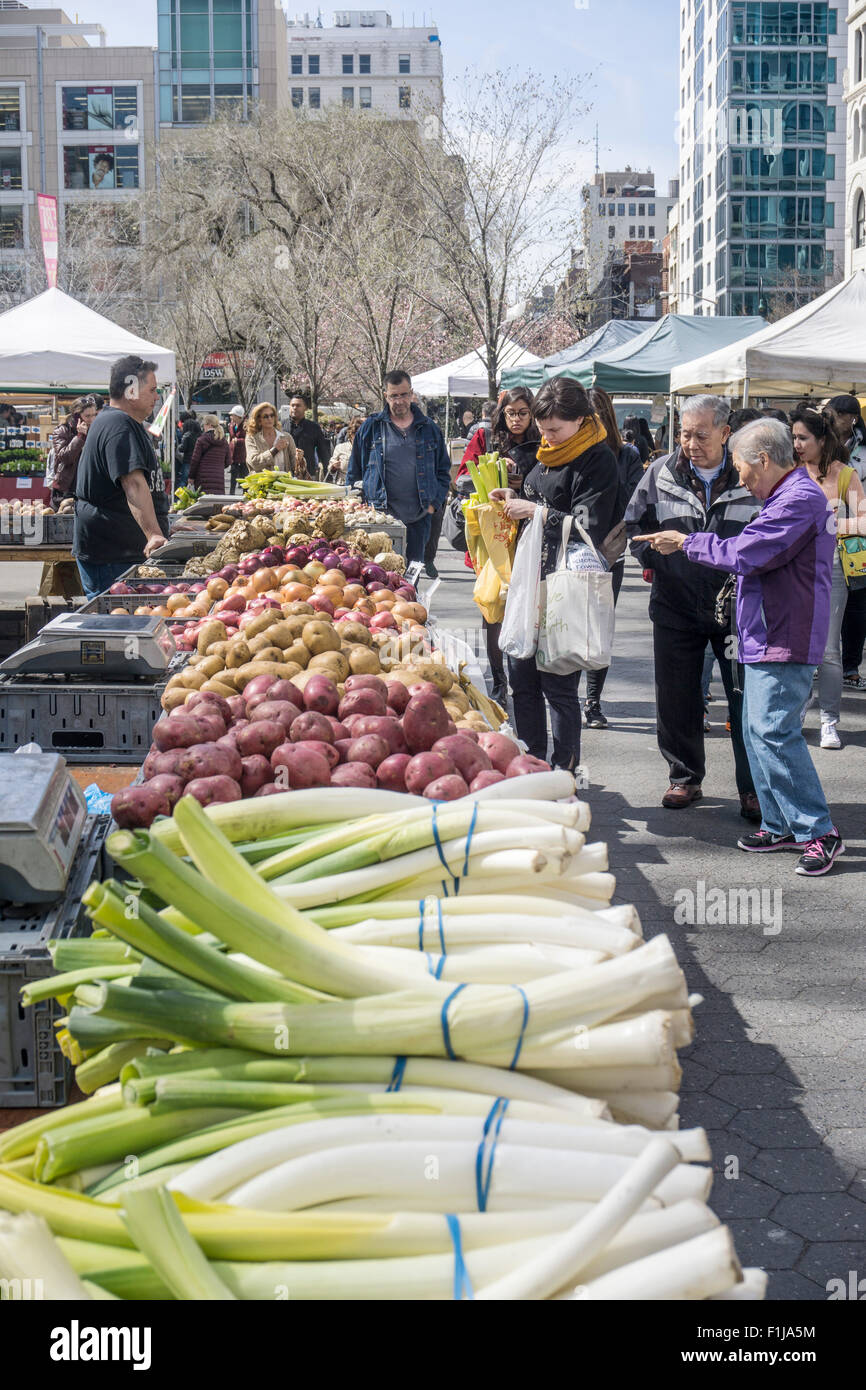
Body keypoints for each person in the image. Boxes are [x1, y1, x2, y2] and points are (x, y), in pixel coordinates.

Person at [635, 418, 844, 876]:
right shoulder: (790, 495)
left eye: (741, 466)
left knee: (773, 732)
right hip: (767, 631)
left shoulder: (798, 499)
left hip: (783, 634)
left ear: (763, 460)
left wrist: (686, 541)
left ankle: (818, 831)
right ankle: (779, 822)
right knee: (756, 732)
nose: (741, 477)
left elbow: (747, 552)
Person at [626, 394, 761, 818]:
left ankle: (753, 788)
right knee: (676, 697)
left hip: (737, 606)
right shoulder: (660, 472)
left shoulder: (749, 475)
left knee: (745, 699)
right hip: (675, 603)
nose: (691, 444)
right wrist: (660, 562)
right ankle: (684, 777)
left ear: (725, 432)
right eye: (685, 434)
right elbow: (635, 525)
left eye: (701, 435)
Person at [490, 377, 620, 772]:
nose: (546, 437)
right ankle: (532, 764)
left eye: (554, 430)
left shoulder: (597, 459)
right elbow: (538, 497)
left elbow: (589, 525)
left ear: (580, 420)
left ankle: (565, 770)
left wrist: (535, 512)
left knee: (559, 684)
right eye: (543, 429)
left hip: (567, 586)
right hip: (531, 580)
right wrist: (515, 499)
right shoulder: (547, 453)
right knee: (522, 678)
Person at [458, 387, 542, 704]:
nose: (516, 419)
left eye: (523, 413)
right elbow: (462, 477)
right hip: (491, 537)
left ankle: (524, 678)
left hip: (528, 535)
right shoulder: (487, 438)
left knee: (525, 608)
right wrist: (494, 473)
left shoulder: (543, 441)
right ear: (501, 414)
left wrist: (524, 482)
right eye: (510, 413)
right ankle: (498, 679)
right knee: (491, 606)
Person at [790, 404, 866, 749]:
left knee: (829, 650)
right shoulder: (790, 472)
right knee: (796, 647)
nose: (797, 444)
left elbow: (863, 521)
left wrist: (827, 523)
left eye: (803, 438)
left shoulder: (845, 474)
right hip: (792, 567)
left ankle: (828, 721)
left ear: (822, 440)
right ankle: (795, 714)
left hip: (833, 566)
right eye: (794, 438)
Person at [72, 355, 169, 599]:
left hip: (119, 554)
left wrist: (164, 525)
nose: (157, 397)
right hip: (112, 558)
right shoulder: (118, 425)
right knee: (116, 618)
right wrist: (154, 534)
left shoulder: (122, 423)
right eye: (152, 390)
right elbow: (133, 484)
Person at [583, 387, 644, 727]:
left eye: (594, 419)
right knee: (565, 624)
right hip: (570, 552)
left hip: (608, 554)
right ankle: (565, 695)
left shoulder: (626, 455)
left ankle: (592, 700)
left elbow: (634, 501)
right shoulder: (567, 453)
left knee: (600, 627)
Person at [347, 369, 451, 564]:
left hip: (419, 518)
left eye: (404, 394)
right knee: (380, 575)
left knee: (412, 575)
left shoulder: (429, 429)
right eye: (394, 396)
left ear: (411, 393)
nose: (399, 401)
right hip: (380, 517)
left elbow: (443, 472)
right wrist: (358, 508)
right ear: (385, 396)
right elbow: (354, 473)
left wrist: (433, 505)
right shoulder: (371, 427)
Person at [49, 395, 97, 510]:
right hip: (67, 489)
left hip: (90, 487)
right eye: (87, 416)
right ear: (76, 417)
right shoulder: (62, 430)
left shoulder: (95, 430)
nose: (92, 419)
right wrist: (80, 437)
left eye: (94, 415)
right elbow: (65, 457)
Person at [245, 402, 298, 475]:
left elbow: (294, 464)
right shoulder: (252, 438)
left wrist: (299, 459)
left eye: (272, 415)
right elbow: (254, 463)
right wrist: (275, 449)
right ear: (259, 420)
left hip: (284, 481)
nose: (269, 418)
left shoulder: (286, 437)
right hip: (261, 481)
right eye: (265, 416)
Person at [287, 395, 331, 479]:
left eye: (298, 405)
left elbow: (323, 452)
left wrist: (328, 476)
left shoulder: (314, 427)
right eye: (292, 405)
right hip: (286, 473)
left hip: (308, 474)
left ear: (305, 408)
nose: (295, 408)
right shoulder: (281, 426)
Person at [188, 414, 231, 495]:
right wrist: (218, 466)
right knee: (217, 501)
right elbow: (228, 461)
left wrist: (191, 477)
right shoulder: (224, 441)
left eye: (204, 424)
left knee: (203, 501)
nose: (203, 427)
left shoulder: (201, 440)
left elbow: (195, 461)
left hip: (202, 478)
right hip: (218, 478)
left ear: (209, 425)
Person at [328, 416, 364, 482]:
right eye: (355, 434)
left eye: (361, 434)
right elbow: (331, 469)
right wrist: (334, 467)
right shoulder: (340, 448)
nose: (358, 438)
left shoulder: (368, 449)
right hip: (343, 484)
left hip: (362, 484)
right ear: (350, 433)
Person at [175, 412, 202, 488]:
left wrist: (178, 446)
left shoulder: (186, 435)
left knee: (184, 480)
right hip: (198, 460)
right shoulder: (200, 436)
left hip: (187, 460)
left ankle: (180, 494)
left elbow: (182, 448)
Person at [227, 405, 247, 493]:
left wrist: (238, 441)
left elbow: (249, 439)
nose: (231, 417)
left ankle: (245, 493)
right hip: (234, 455)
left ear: (238, 416)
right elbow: (231, 437)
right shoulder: (231, 425)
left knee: (244, 476)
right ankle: (231, 493)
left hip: (243, 455)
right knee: (233, 476)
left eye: (233, 415)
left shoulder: (246, 426)